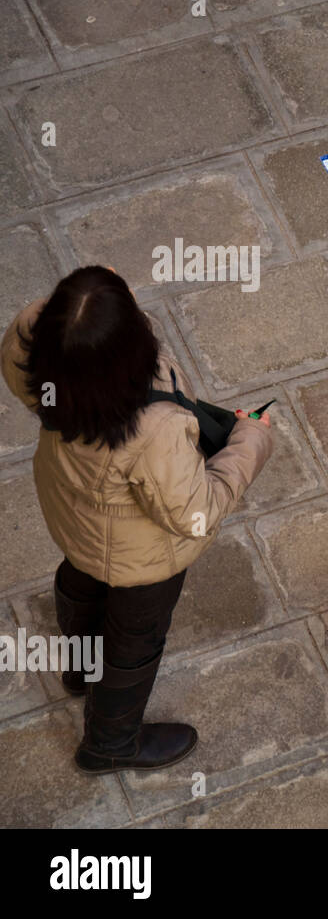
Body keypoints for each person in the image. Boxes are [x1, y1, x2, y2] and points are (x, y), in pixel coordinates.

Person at [1, 267, 273, 773]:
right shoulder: (154, 428)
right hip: (140, 558)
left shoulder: (33, 343)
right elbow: (193, 515)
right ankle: (110, 744)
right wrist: (249, 440)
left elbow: (59, 330)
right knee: (132, 645)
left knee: (80, 580)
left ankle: (80, 671)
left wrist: (93, 303)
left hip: (71, 512)